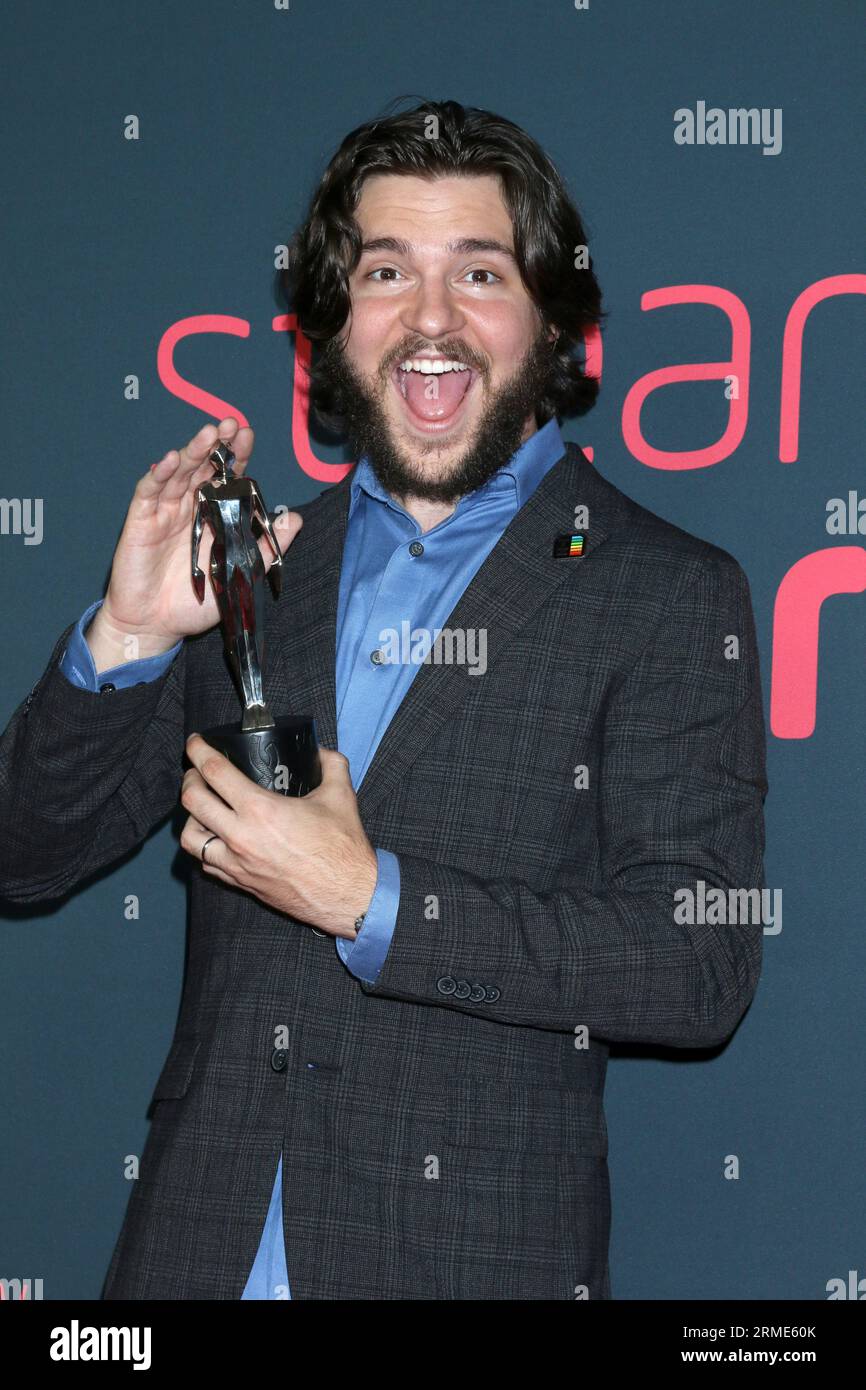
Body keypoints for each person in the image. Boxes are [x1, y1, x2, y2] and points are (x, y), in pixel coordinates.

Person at [0, 98, 768, 1300]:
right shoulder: (258, 568)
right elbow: (23, 855)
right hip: (187, 1268)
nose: (428, 319)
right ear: (331, 323)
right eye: (383, 271)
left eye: (478, 272)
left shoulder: (661, 591)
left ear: (553, 323)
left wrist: (374, 902)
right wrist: (132, 633)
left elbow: (697, 962)